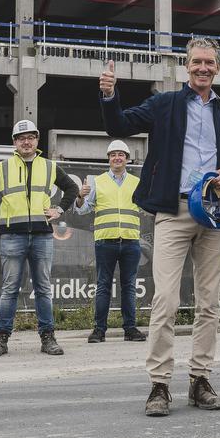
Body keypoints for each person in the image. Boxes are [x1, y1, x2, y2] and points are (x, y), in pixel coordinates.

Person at [99, 37, 220, 417]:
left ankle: (200, 380)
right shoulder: (165, 104)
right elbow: (119, 125)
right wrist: (110, 95)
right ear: (186, 66)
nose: (203, 68)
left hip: (212, 213)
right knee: (165, 300)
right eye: (197, 62)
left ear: (218, 68)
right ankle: (159, 385)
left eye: (209, 62)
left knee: (209, 303)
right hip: (174, 211)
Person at [0, 119, 80, 358]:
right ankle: (1, 340)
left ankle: (48, 338)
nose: (26, 142)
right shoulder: (3, 167)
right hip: (12, 236)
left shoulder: (49, 166)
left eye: (31, 137)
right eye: (21, 138)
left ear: (37, 140)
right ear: (14, 142)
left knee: (43, 289)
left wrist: (59, 210)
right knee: (10, 289)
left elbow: (72, 189)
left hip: (42, 236)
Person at [74, 139, 147, 343]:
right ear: (108, 159)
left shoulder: (136, 183)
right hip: (105, 241)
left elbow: (146, 207)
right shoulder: (98, 182)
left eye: (121, 154)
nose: (117, 158)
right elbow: (82, 209)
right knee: (103, 285)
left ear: (127, 159)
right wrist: (80, 197)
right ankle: (99, 330)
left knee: (129, 286)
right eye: (113, 155)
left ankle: (130, 329)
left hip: (130, 241)